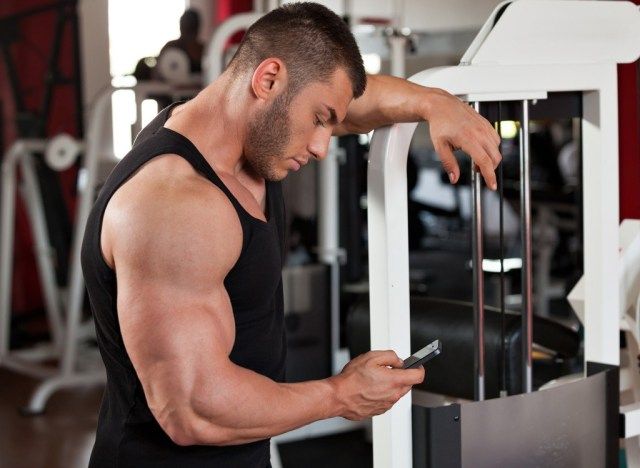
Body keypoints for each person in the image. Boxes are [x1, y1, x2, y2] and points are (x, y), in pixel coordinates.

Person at [81, 3, 501, 467]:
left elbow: (354, 103)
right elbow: (191, 410)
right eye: (320, 120)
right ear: (268, 79)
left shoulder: (246, 128)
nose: (324, 145)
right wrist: (341, 395)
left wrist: (436, 103)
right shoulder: (174, 206)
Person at [158, 8, 205, 74]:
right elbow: (157, 72)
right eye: (186, 27)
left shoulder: (204, 49)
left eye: (191, 27)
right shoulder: (170, 47)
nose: (188, 31)